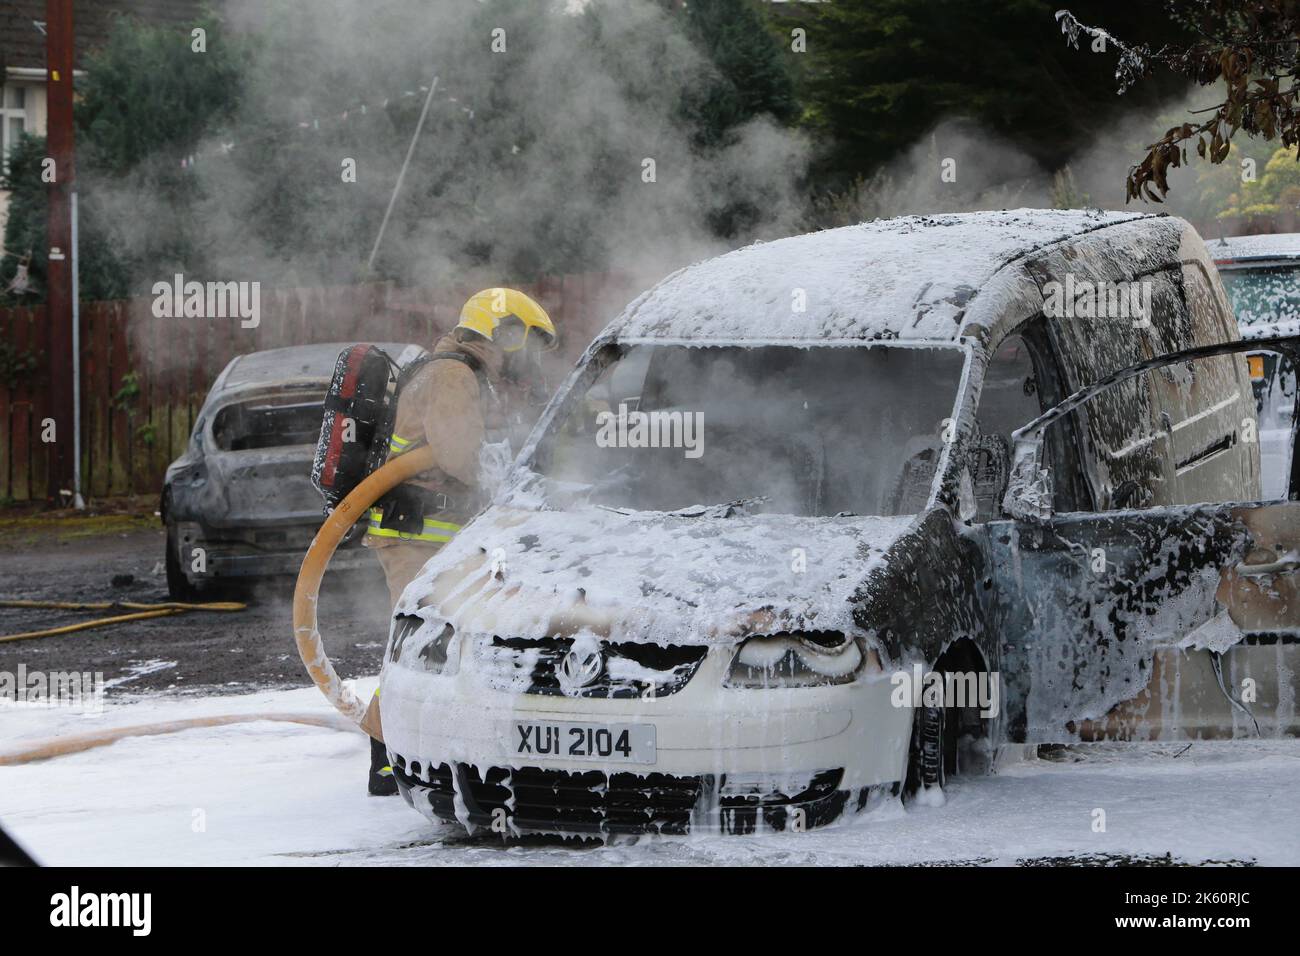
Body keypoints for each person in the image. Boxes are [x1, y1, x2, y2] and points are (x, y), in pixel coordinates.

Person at [365, 287, 557, 794]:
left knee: (435, 641)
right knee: (417, 644)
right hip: (415, 535)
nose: (525, 357)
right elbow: (457, 456)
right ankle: (385, 760)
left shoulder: (454, 370)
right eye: (524, 341)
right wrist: (507, 486)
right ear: (502, 331)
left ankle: (420, 747)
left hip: (431, 535)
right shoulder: (452, 374)